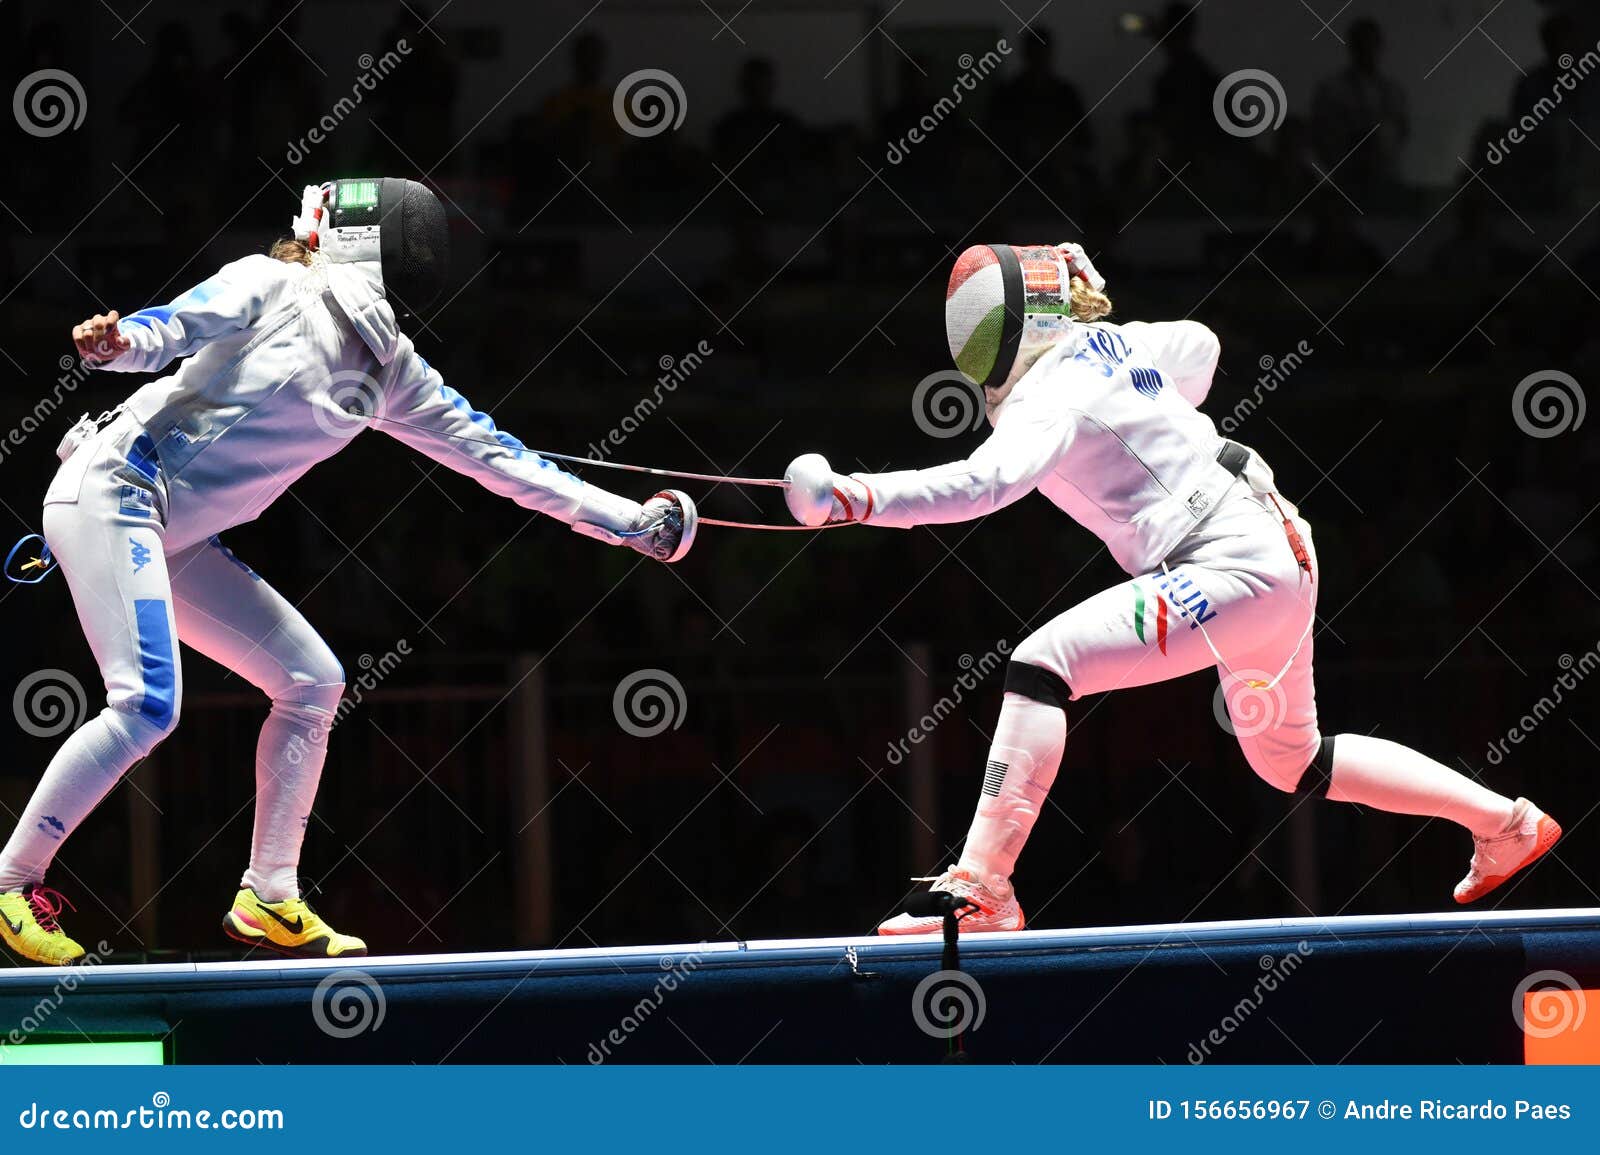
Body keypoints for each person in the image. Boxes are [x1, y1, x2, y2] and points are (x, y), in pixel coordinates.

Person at [0, 177, 696, 966]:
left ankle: (268, 893)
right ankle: (11, 883)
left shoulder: (394, 373)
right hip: (118, 486)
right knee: (148, 704)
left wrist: (626, 521)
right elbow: (175, 326)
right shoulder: (275, 284)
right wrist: (118, 342)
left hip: (168, 531)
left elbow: (504, 463)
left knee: (312, 681)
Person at [783, 241, 1560, 934]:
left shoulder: (1050, 391)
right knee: (1292, 757)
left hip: (1227, 560)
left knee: (1041, 663)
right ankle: (1505, 820)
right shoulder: (1113, 343)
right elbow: (1202, 348)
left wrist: (854, 497)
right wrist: (1122, 353)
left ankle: (985, 884)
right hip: (1280, 548)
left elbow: (984, 484)